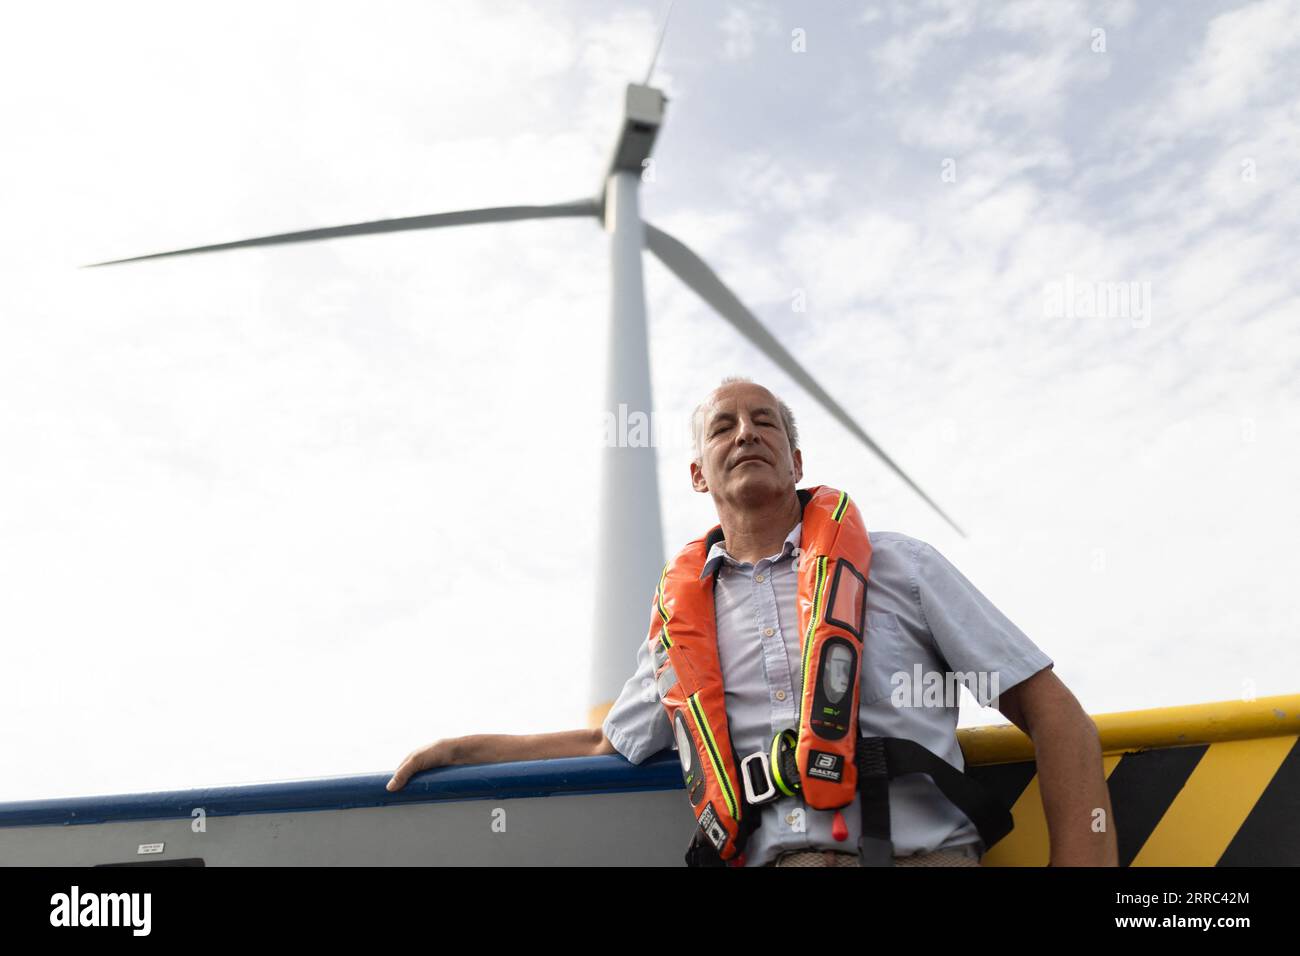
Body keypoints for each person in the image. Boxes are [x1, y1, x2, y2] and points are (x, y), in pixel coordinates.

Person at [388, 376, 1118, 867]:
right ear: (700, 472)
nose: (746, 434)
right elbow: (606, 741)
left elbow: (1052, 711)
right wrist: (463, 750)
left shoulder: (904, 567)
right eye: (724, 427)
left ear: (795, 458)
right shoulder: (681, 630)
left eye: (765, 423)